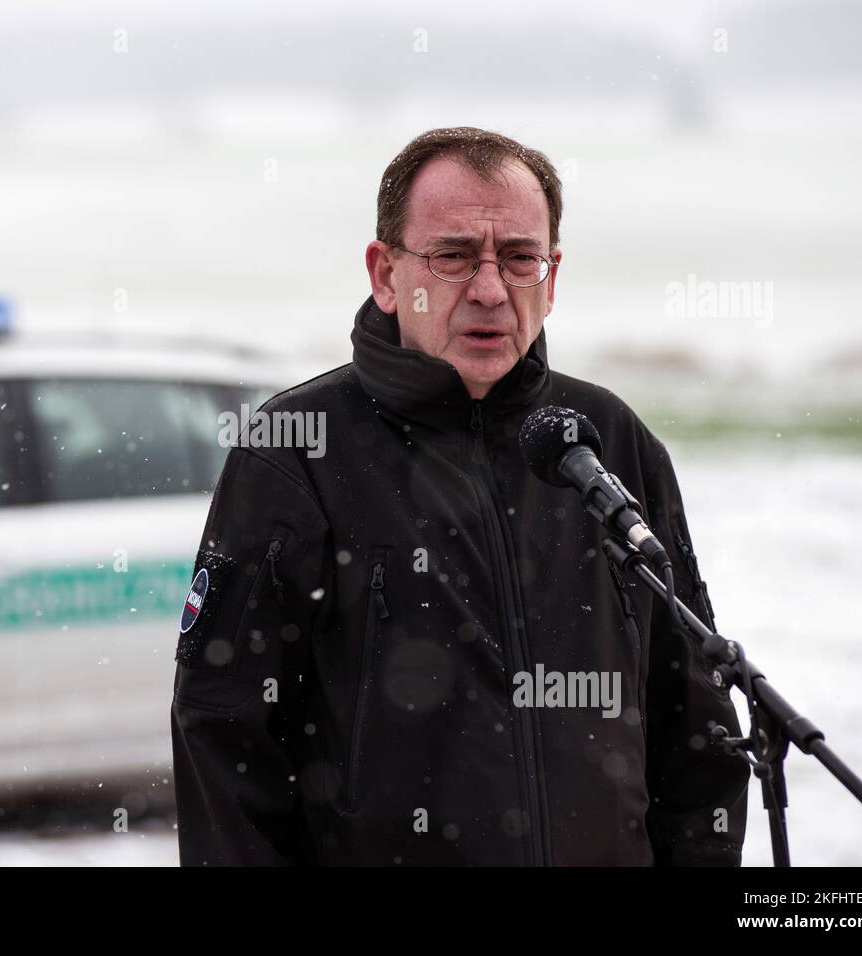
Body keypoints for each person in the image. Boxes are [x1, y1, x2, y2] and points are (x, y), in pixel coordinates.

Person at [169, 127, 748, 866]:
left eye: (518, 258)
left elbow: (697, 731)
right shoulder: (295, 450)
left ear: (552, 276)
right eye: (451, 257)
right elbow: (224, 744)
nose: (488, 289)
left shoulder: (609, 441)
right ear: (384, 274)